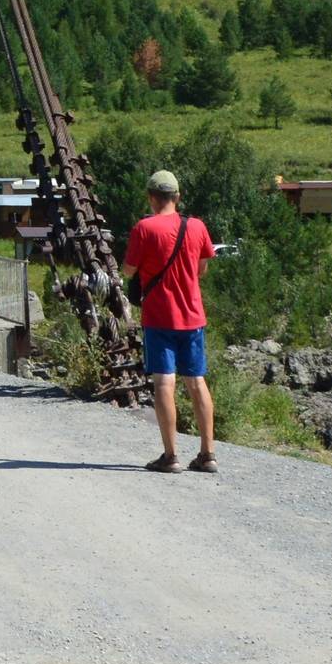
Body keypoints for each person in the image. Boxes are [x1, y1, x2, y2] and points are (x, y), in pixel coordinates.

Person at [125, 170, 219, 474]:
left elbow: (128, 270)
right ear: (177, 197)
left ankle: (171, 456)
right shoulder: (197, 226)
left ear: (151, 198)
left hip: (159, 317)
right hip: (192, 316)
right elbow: (202, 269)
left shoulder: (144, 228)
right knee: (197, 381)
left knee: (164, 382)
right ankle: (208, 454)